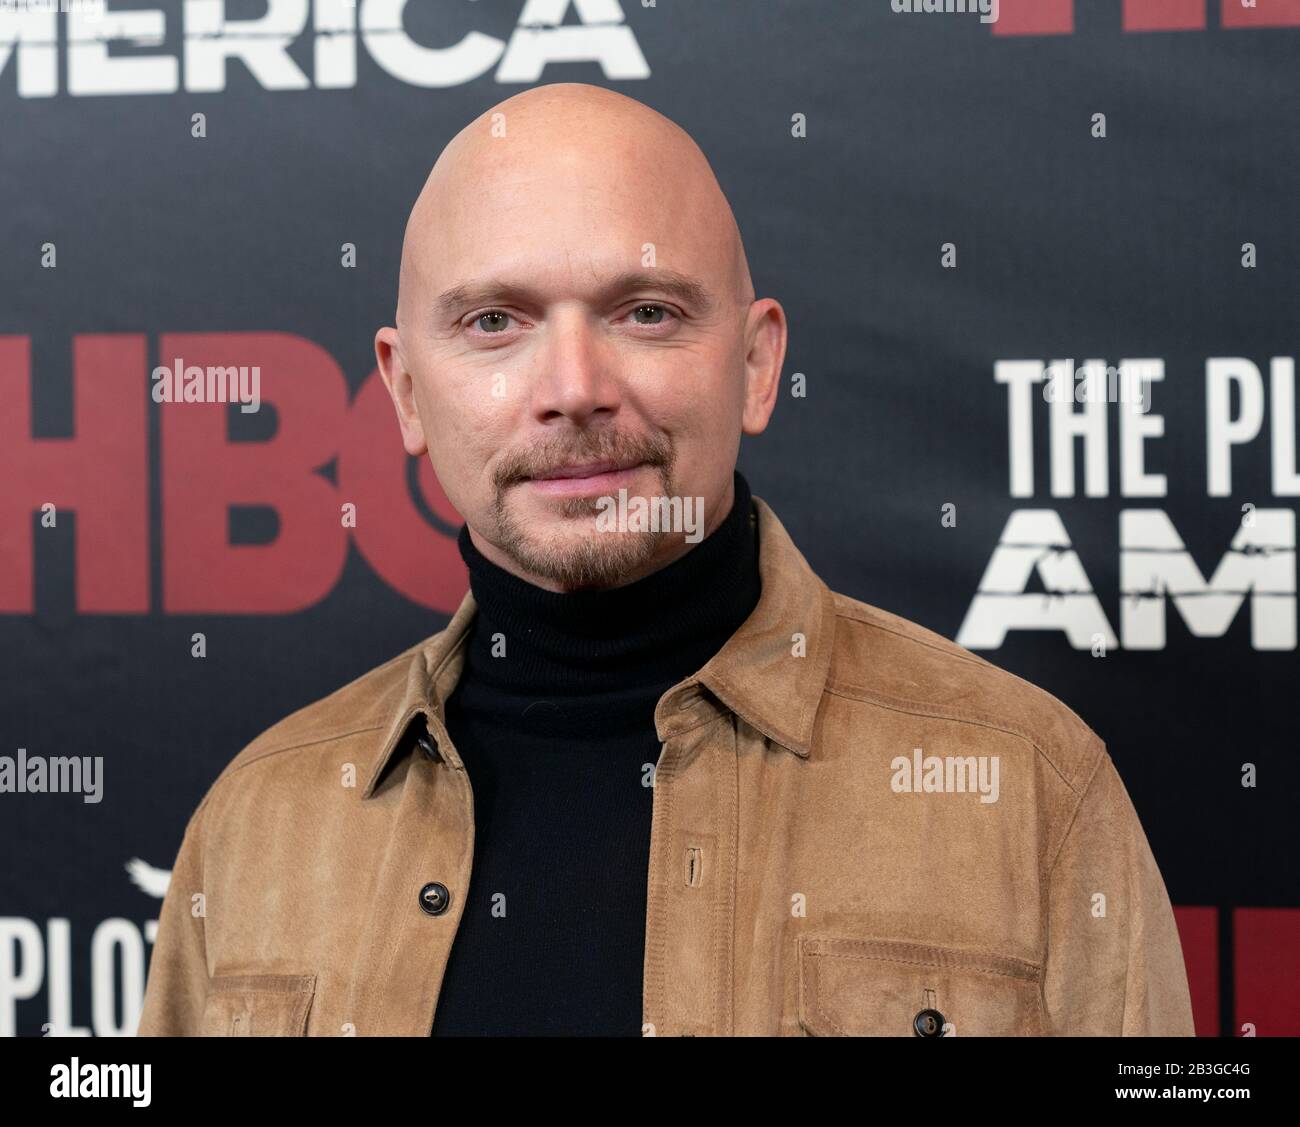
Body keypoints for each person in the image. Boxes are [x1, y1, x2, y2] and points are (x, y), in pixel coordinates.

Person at [138, 82, 1194, 1037]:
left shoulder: (1031, 788)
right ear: (407, 390)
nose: (574, 386)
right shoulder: (257, 820)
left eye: (644, 312)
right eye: (494, 321)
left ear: (755, 362)